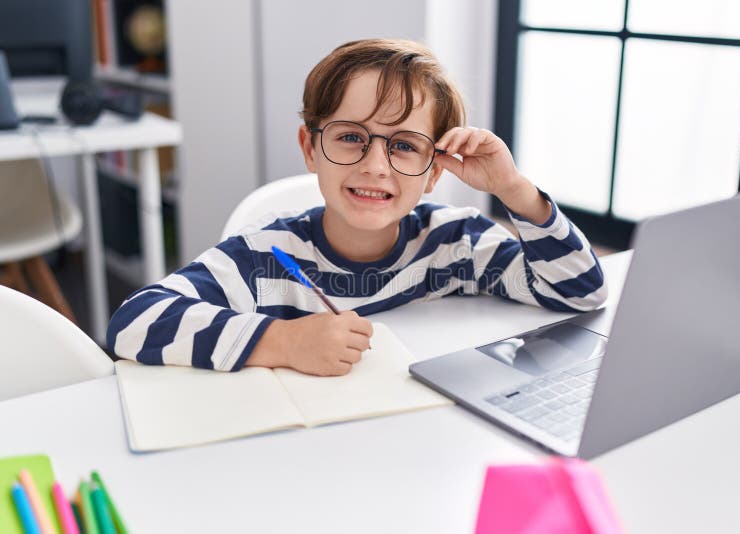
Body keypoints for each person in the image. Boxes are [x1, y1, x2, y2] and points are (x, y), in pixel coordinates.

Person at [107, 38, 607, 376]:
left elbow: (579, 294)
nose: (375, 166)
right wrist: (283, 342)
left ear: (435, 170)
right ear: (310, 147)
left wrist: (513, 190)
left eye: (405, 146)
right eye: (351, 138)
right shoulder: (264, 259)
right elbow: (133, 323)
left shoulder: (454, 245)